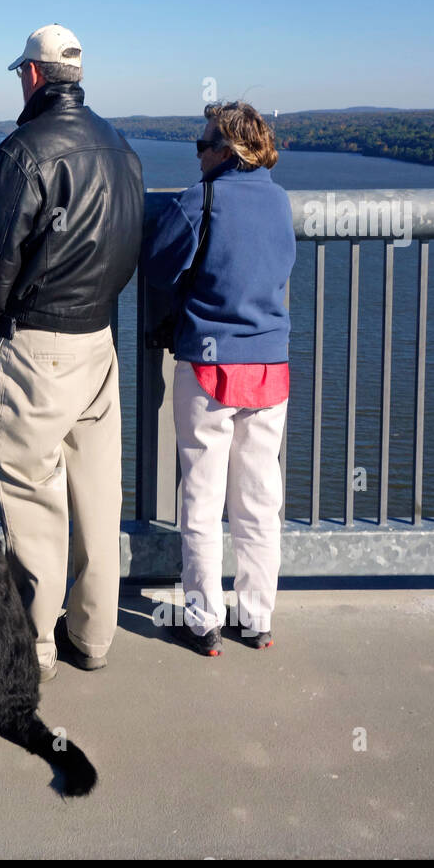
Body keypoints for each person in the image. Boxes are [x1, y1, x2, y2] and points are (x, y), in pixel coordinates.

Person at [0, 24, 144, 681]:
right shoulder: (122, 150)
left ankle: (33, 650)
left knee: (34, 502)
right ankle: (93, 637)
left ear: (34, 76)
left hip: (36, 346)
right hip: (99, 343)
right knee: (96, 495)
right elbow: (127, 244)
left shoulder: (21, 154)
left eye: (20, 74)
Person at [140, 101, 295, 656]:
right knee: (257, 500)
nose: (198, 155)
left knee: (202, 499)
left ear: (226, 151)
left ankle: (204, 620)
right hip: (270, 367)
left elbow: (159, 264)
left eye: (203, 145)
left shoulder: (202, 199)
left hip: (209, 366)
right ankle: (256, 617)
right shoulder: (279, 201)